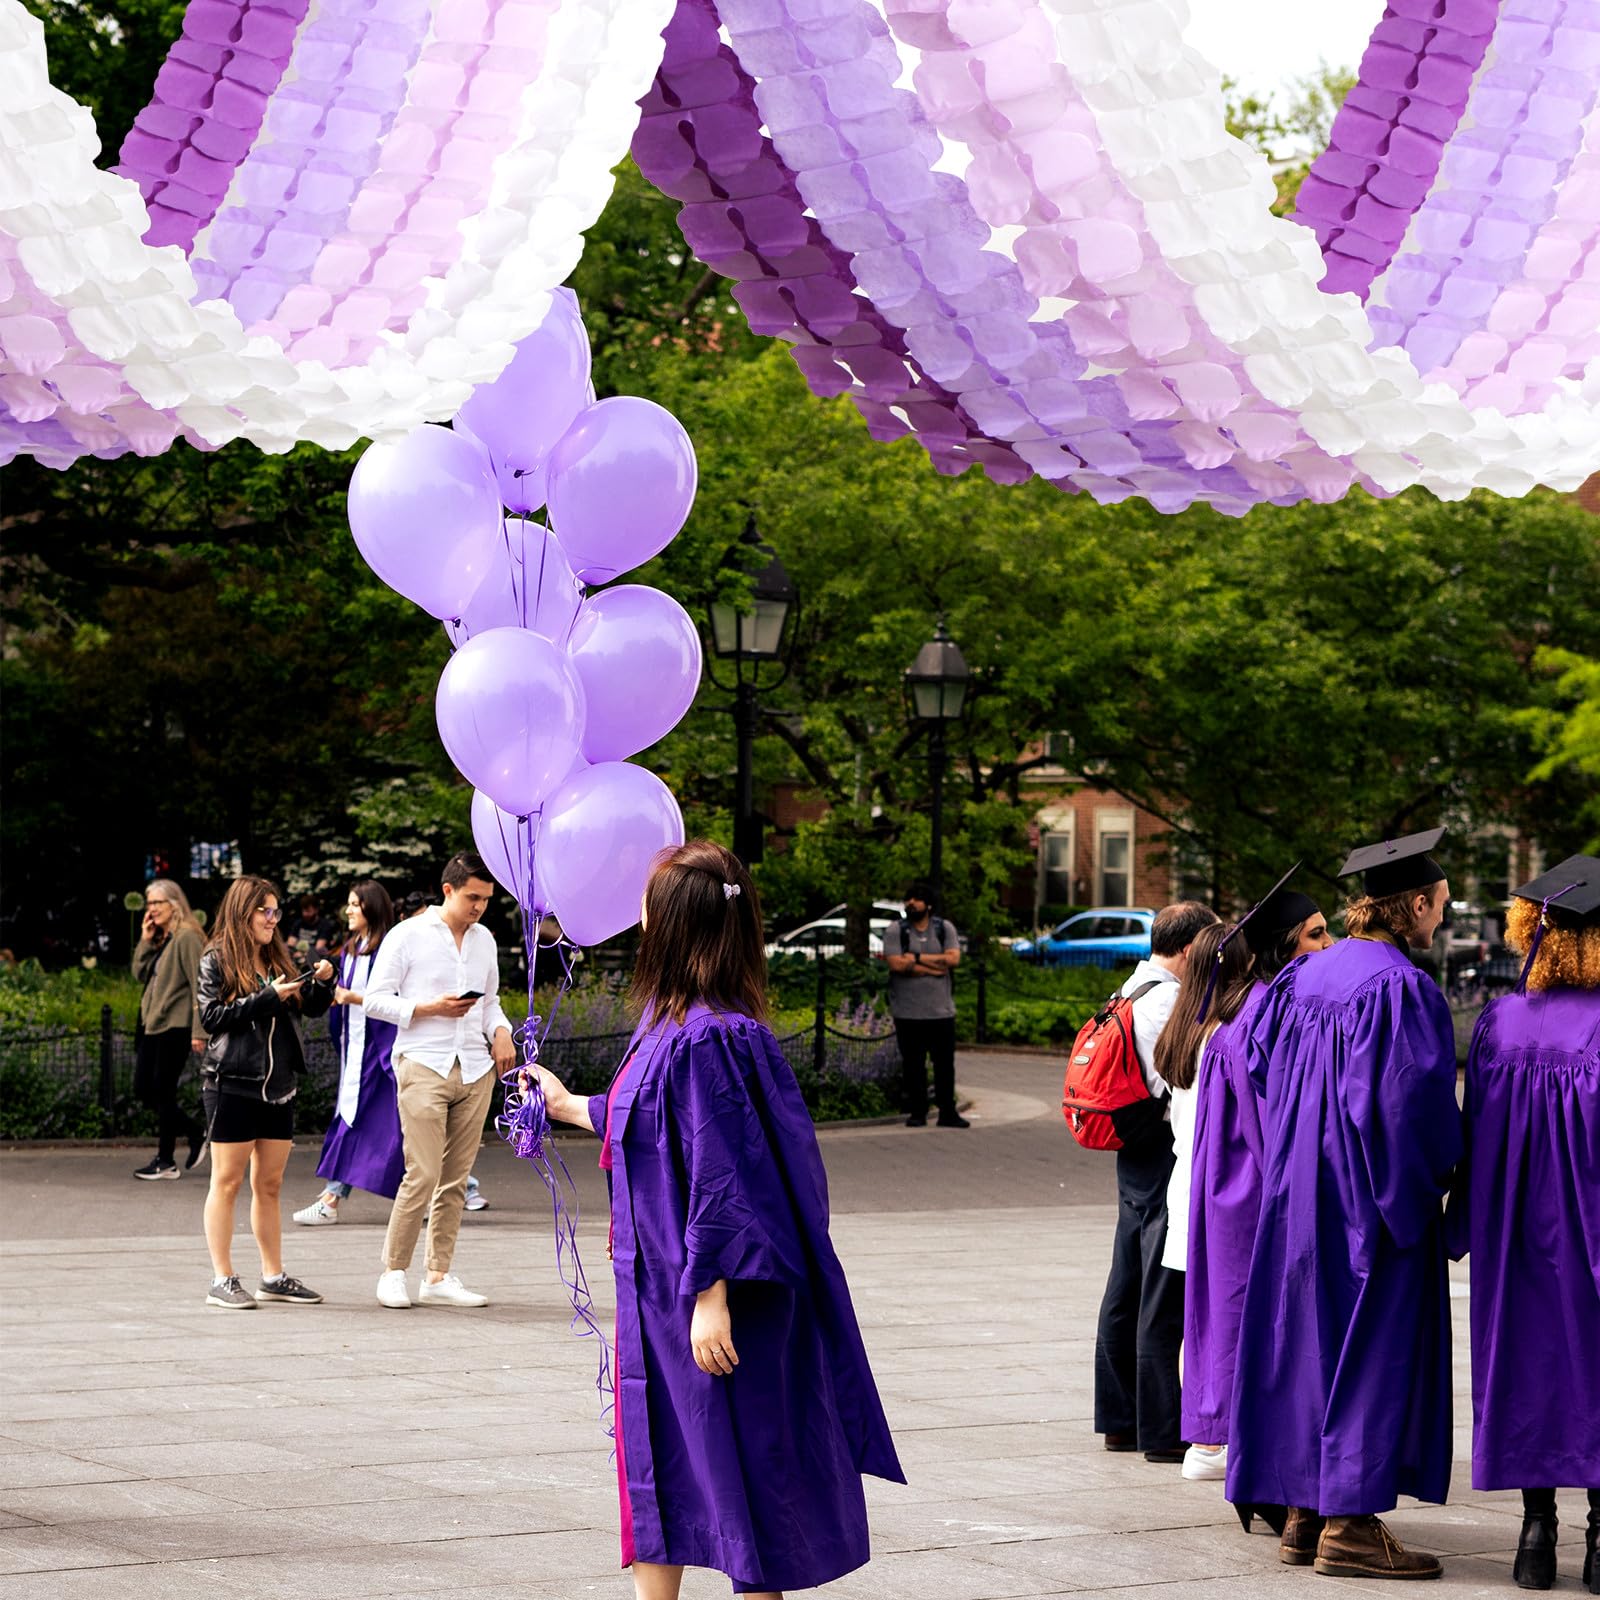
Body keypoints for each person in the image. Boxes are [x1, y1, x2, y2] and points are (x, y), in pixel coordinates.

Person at [536, 839, 905, 1599]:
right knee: (660, 1456)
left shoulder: (715, 1035)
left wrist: (709, 1299)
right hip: (661, 1292)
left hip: (712, 1297)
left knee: (741, 1464)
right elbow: (655, 1122)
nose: (636, 913)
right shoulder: (669, 1023)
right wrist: (571, 1105)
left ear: (673, 921)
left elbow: (726, 1174)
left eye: (648, 900)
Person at [1228, 828, 1461, 1579]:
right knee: (1369, 1346)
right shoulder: (1401, 987)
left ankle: (1303, 1512)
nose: (1443, 920)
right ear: (1416, 904)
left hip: (1297, 1192)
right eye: (1441, 906)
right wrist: (1434, 1182)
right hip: (1368, 1197)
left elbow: (1259, 1065)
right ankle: (1352, 1525)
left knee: (1308, 1341)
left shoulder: (1304, 977)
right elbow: (1409, 1109)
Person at [1445, 854, 1600, 1593]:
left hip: (1514, 1240)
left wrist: (1464, 1223)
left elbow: (1476, 1134)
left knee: (1528, 1367)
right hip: (1591, 1235)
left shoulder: (1501, 1023)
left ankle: (1536, 1535)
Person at [1181, 874, 1333, 1520]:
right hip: (1256, 1198)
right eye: (1317, 934)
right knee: (1260, 1328)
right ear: (1284, 946)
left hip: (1227, 1193)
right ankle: (1260, 1479)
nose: (1331, 945)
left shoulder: (1239, 1012)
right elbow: (1274, 1130)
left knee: (1235, 1319)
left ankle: (1250, 1473)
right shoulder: (1265, 1018)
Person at [1094, 900, 1220, 1463]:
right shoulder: (1170, 1001)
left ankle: (1120, 1418)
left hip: (1132, 1147)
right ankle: (1161, 1427)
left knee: (1125, 1281)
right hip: (1163, 1148)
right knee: (1162, 1289)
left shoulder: (1133, 986)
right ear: (1191, 948)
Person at [363, 851, 515, 1309]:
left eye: (486, 899)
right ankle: (393, 1270)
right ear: (447, 889)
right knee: (423, 1172)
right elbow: (374, 1000)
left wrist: (502, 1032)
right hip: (423, 1063)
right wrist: (428, 1009)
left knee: (456, 1178)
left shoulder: (484, 940)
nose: (479, 907)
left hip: (474, 1066)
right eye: (472, 897)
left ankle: (438, 1274)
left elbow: (490, 1002)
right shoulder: (407, 935)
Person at [196, 875, 333, 1309]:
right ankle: (222, 1279)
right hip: (232, 1083)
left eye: (277, 912)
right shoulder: (216, 957)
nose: (274, 920)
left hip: (279, 1085)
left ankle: (273, 1276)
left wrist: (322, 984)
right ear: (243, 913)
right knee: (228, 1181)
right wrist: (268, 997)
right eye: (266, 912)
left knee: (269, 1184)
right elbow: (212, 1017)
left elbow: (308, 1006)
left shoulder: (278, 956)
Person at [1151, 918, 1254, 1484]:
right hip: (1219, 1187)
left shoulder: (1184, 1030)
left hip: (1185, 1182)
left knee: (1200, 1319)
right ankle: (1214, 1439)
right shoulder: (1227, 1036)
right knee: (1220, 1318)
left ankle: (1204, 1436)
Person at [293, 882, 405, 1226]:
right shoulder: (354, 947)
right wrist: (330, 972)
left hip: (380, 1052)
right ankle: (333, 1198)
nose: (349, 910)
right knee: (375, 1125)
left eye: (355, 904)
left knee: (376, 1125)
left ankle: (331, 1199)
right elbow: (344, 983)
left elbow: (396, 998)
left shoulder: (389, 948)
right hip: (355, 1049)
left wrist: (354, 998)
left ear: (371, 907)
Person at [131, 878, 208, 1180]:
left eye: (156, 903)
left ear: (174, 904)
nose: (150, 910)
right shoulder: (166, 938)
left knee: (163, 1091)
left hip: (175, 1026)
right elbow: (139, 973)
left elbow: (200, 985)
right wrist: (146, 939)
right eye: (148, 903)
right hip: (154, 1024)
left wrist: (199, 1031)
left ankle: (165, 1161)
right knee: (143, 1089)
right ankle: (194, 1131)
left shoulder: (188, 937)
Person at [883, 879, 966, 1127]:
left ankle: (947, 1112)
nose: (911, 903)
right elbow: (896, 963)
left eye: (916, 899)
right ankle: (917, 1112)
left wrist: (917, 959)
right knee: (913, 1065)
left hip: (941, 1012)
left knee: (944, 1066)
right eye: (908, 899)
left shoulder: (944, 928)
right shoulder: (896, 930)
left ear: (928, 905)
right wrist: (934, 966)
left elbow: (953, 960)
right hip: (908, 1012)